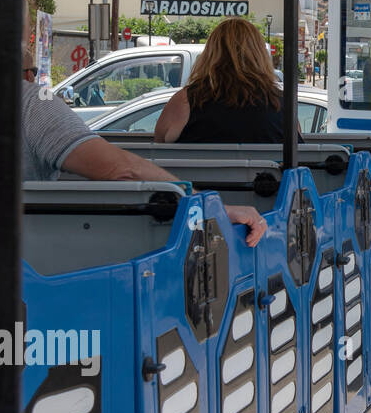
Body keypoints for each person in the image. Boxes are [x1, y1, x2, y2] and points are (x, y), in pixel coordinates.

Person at [18, 15, 265, 245]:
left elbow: (160, 141)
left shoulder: (186, 100)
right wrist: (215, 209)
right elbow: (121, 170)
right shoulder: (32, 101)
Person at [155, 17, 294, 144]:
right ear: (259, 55)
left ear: (210, 53)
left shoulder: (185, 101)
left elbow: (159, 146)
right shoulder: (282, 104)